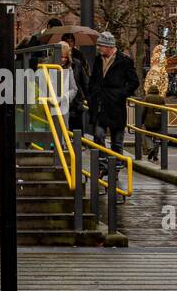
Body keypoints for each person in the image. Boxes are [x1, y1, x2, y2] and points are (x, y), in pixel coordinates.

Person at [87, 31, 139, 181]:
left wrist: (121, 94)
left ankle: (115, 169)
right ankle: (102, 166)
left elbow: (134, 82)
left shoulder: (124, 61)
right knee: (98, 135)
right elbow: (94, 80)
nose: (98, 49)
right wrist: (92, 95)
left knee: (117, 141)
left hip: (116, 106)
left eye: (101, 46)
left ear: (109, 47)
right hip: (100, 104)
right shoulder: (98, 60)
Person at [141, 44, 168, 162]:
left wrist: (141, 121)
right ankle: (155, 153)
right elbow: (164, 110)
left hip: (148, 121)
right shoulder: (161, 98)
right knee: (158, 138)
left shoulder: (147, 97)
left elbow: (144, 110)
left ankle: (151, 148)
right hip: (158, 122)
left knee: (147, 135)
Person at [58, 39, 89, 132]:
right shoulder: (46, 66)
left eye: (65, 57)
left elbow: (75, 88)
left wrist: (64, 97)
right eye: (61, 57)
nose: (63, 60)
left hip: (67, 106)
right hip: (50, 106)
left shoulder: (70, 67)